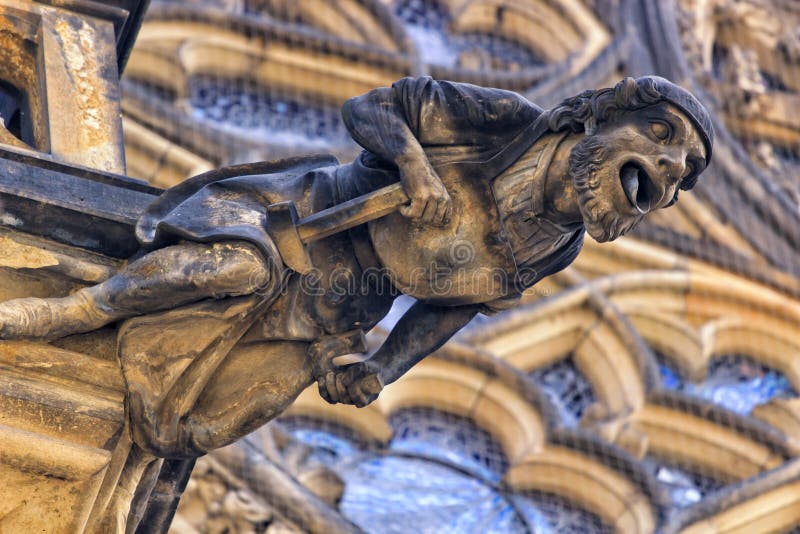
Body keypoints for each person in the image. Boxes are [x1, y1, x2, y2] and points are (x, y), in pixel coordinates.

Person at [0, 75, 712, 457]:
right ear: (597, 120)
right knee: (230, 271)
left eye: (685, 169)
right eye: (658, 134)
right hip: (291, 223)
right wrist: (414, 167)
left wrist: (381, 369)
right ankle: (78, 309)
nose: (669, 165)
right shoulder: (507, 124)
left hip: (337, 311)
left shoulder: (558, 246)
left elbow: (453, 306)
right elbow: (372, 105)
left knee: (192, 433)